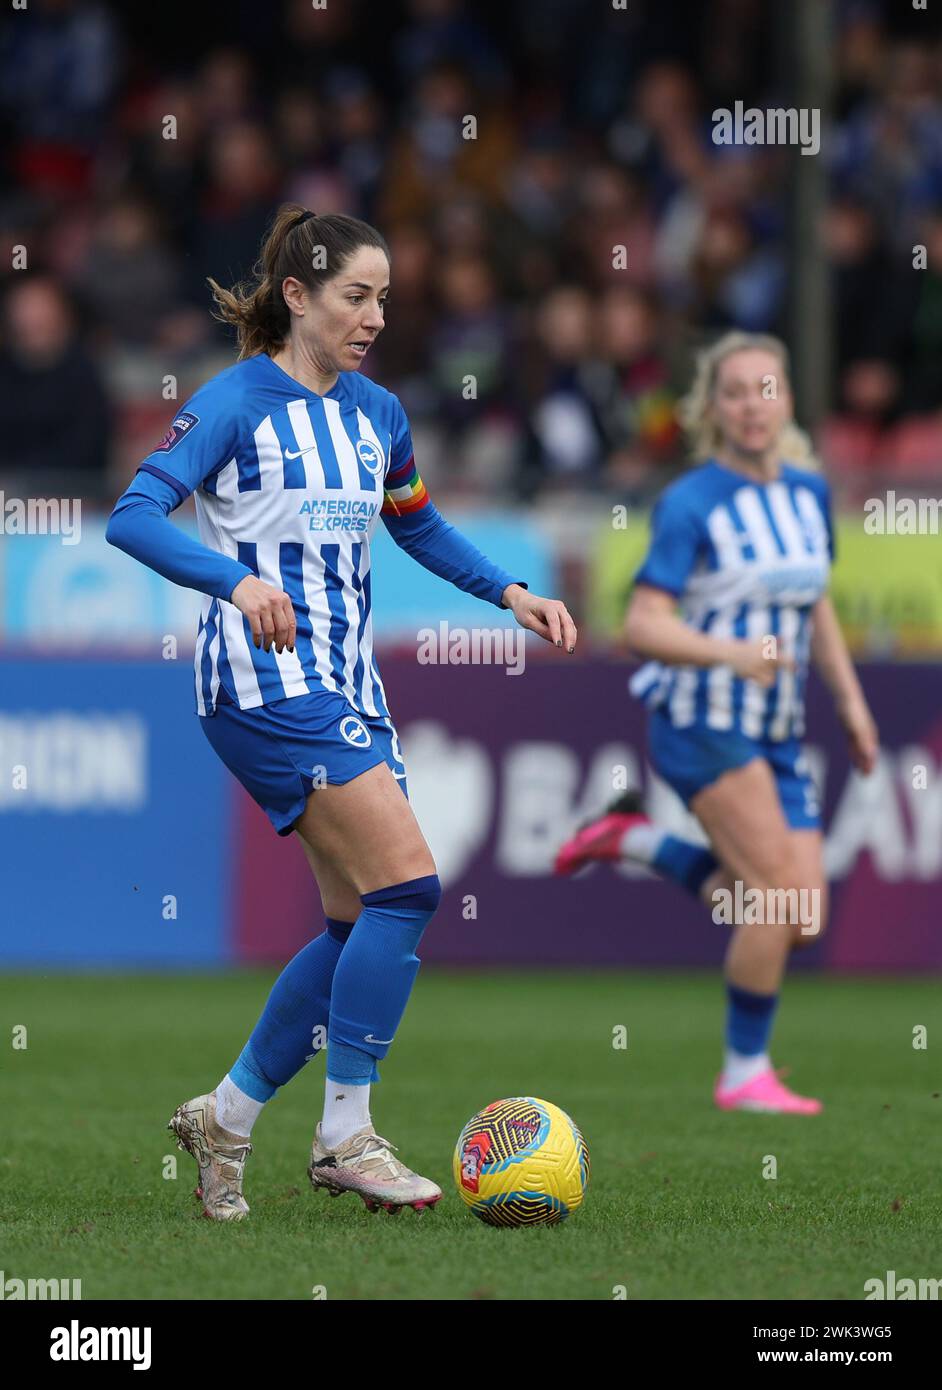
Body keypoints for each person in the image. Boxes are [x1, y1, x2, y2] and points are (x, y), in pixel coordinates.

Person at [106, 204, 577, 1218]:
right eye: (356, 296)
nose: (373, 316)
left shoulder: (376, 414)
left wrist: (509, 594)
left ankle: (226, 1116)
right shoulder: (236, 404)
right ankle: (344, 1133)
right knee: (409, 886)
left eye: (384, 300)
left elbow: (420, 525)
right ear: (297, 295)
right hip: (263, 686)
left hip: (347, 687)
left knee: (354, 919)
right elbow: (133, 516)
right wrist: (234, 582)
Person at [555, 331, 877, 1114]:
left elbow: (816, 603)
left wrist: (852, 704)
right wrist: (730, 653)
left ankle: (631, 839)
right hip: (703, 719)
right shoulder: (691, 501)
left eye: (765, 388)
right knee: (775, 898)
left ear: (787, 400)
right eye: (734, 391)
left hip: (777, 727)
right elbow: (640, 625)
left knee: (798, 916)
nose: (751, 405)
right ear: (713, 408)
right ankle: (743, 1073)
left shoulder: (806, 493)